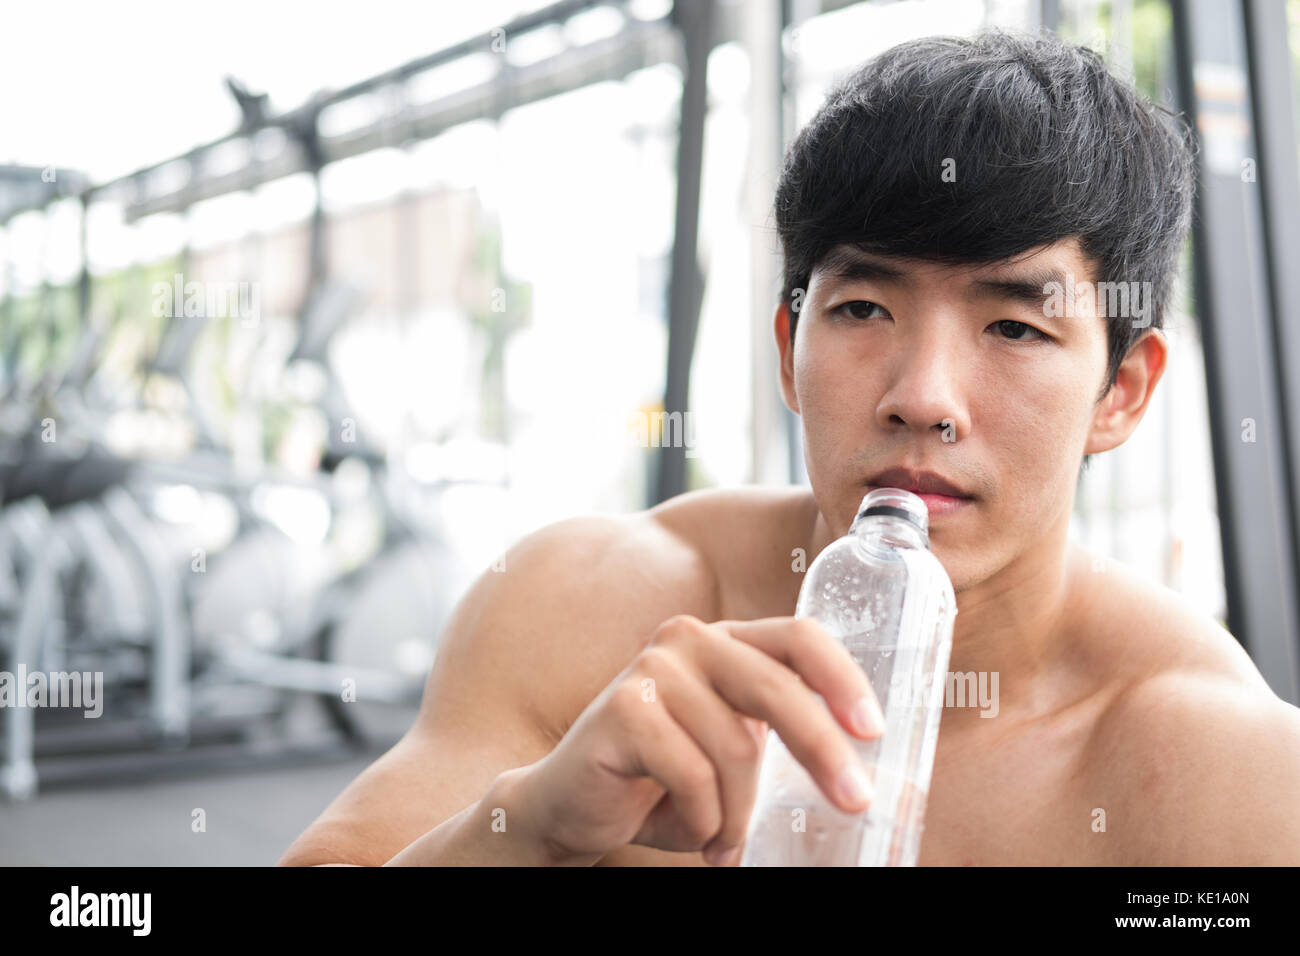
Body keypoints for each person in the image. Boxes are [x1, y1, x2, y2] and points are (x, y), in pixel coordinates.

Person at [280, 30, 1300, 867]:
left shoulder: (1218, 770)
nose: (921, 398)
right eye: (861, 306)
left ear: (1119, 392)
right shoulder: (590, 602)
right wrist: (525, 836)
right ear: (787, 348)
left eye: (1014, 327)